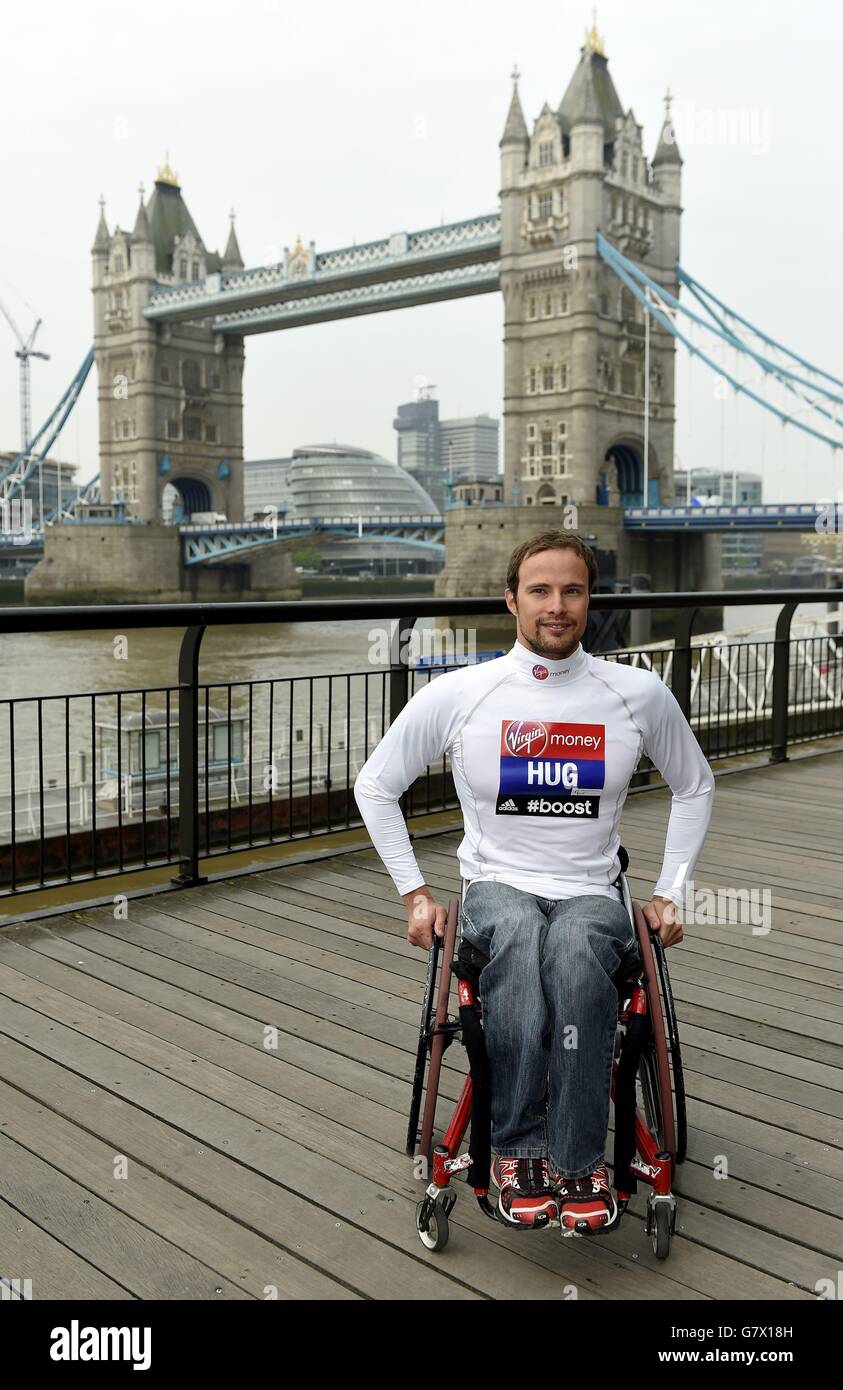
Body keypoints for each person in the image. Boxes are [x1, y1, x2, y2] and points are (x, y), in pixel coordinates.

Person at [354, 531, 715, 1232]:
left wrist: (671, 890)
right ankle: (519, 1151)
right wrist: (414, 894)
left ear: (588, 600)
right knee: (518, 942)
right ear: (512, 599)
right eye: (541, 591)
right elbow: (375, 784)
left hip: (590, 890)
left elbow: (694, 785)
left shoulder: (634, 693)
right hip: (497, 886)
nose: (557, 607)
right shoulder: (462, 692)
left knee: (577, 953)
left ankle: (580, 1163)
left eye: (572, 591)